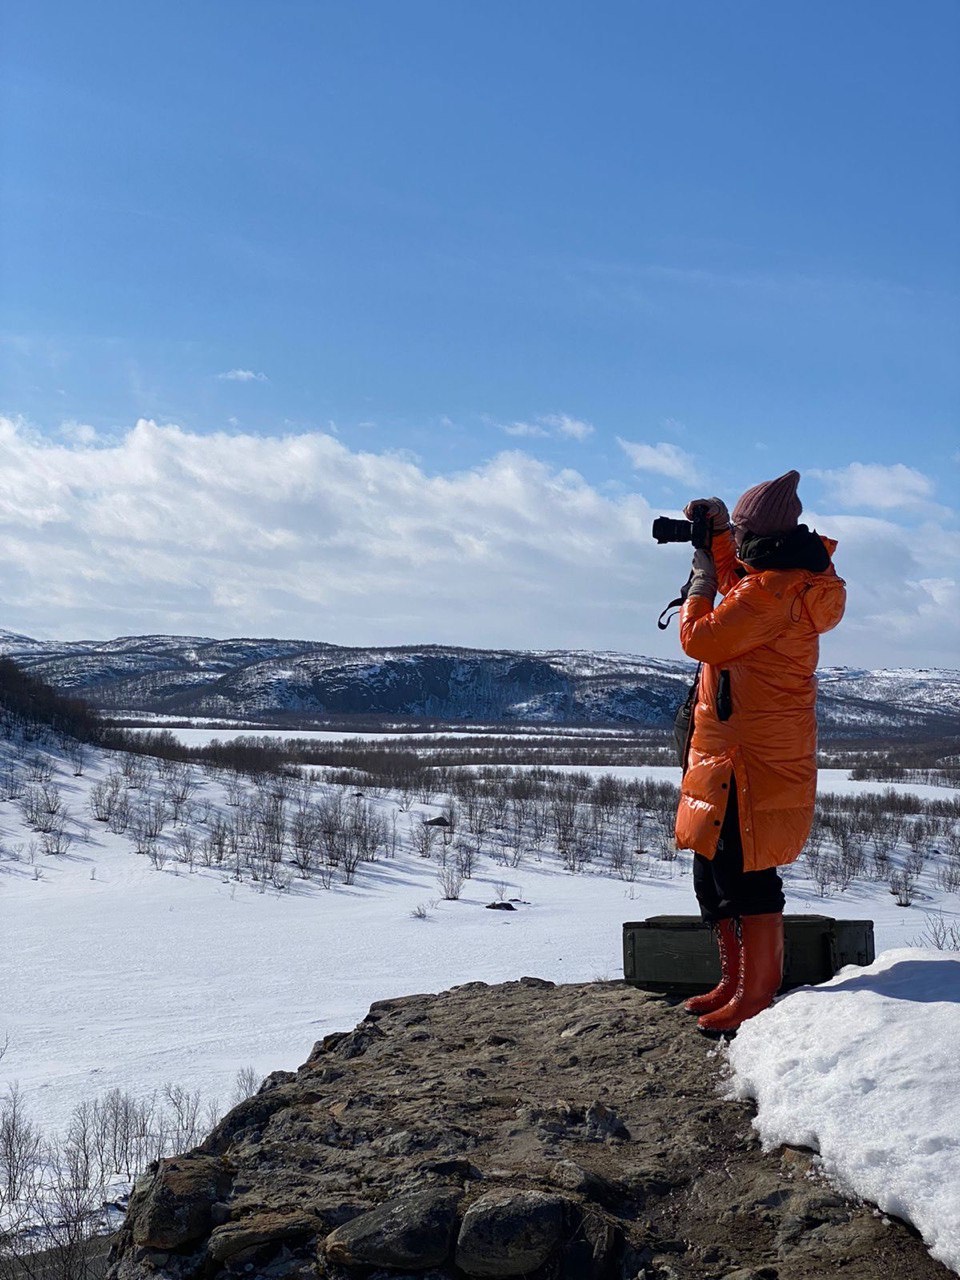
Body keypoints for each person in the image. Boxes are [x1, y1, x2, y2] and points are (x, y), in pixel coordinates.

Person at [673, 470, 846, 1033]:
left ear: (762, 533)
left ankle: (756, 993)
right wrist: (717, 537)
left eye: (742, 530)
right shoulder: (777, 576)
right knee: (714, 868)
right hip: (733, 748)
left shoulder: (775, 590)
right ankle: (735, 981)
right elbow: (737, 577)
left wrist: (698, 583)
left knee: (746, 871)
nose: (739, 543)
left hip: (752, 756)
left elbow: (702, 637)